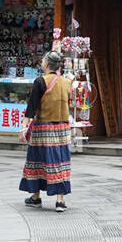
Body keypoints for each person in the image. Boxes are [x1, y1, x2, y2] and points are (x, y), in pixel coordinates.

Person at [20, 50, 72, 212]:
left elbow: (31, 107)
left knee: (38, 161)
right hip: (62, 130)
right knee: (60, 161)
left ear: (47, 64)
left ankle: (36, 197)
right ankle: (60, 200)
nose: (41, 63)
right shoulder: (66, 83)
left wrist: (23, 127)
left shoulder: (40, 81)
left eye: (43, 61)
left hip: (43, 129)